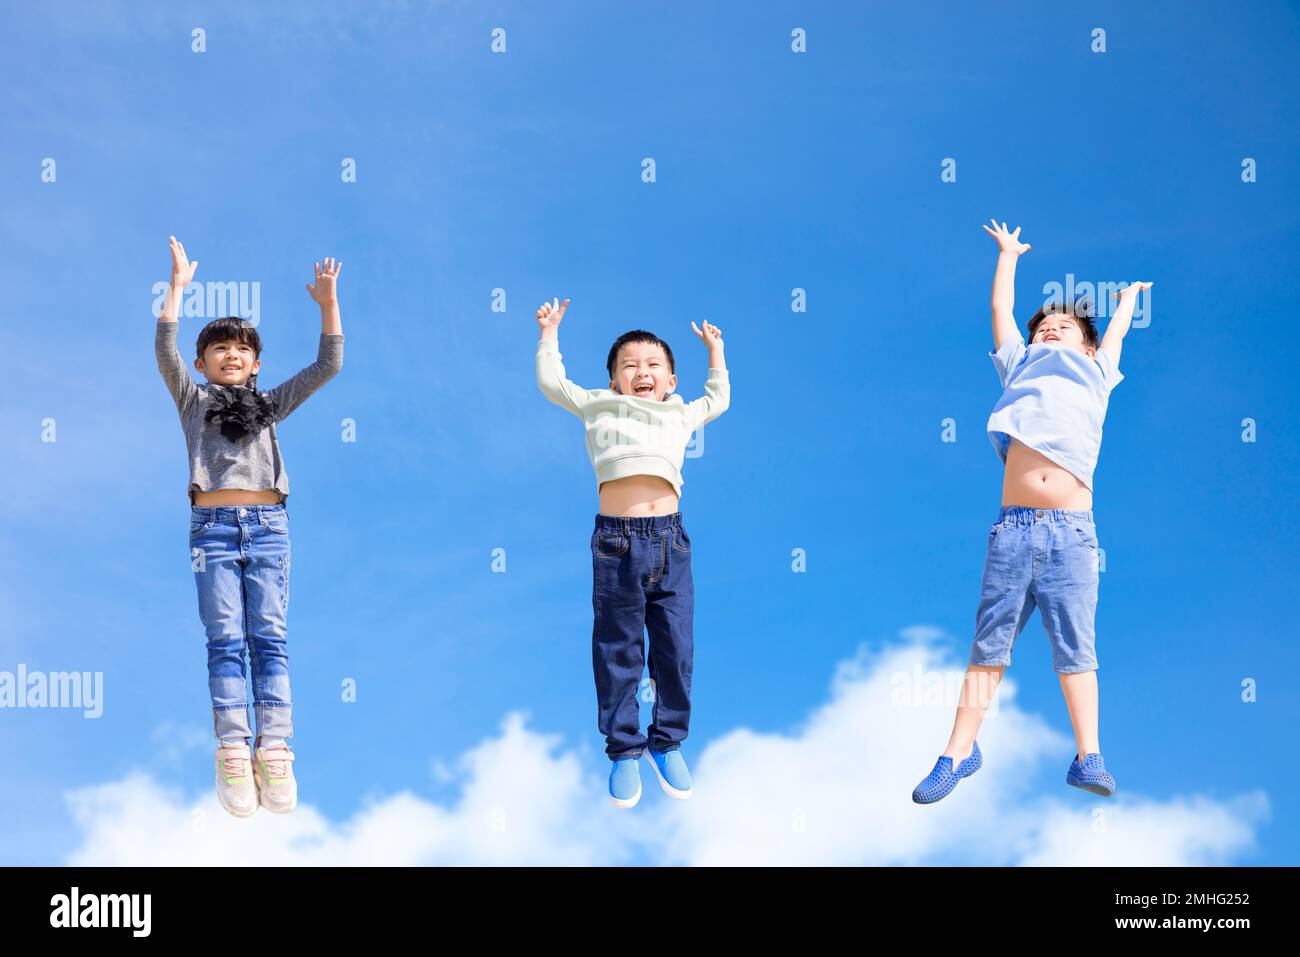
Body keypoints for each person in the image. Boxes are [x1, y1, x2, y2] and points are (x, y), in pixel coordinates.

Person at [912, 220, 1149, 804]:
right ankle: (957, 753)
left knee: (1077, 646)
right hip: (1014, 531)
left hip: (1072, 533)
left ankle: (1089, 755)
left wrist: (1126, 304)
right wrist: (1009, 255)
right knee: (988, 645)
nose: (1049, 331)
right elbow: (1000, 306)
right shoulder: (1019, 365)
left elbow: (1116, 337)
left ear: (1088, 346)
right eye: (1043, 326)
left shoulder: (1096, 373)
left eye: (1063, 327)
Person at [155, 236, 344, 817]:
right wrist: (179, 289)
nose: (231, 355)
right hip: (211, 527)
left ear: (256, 364)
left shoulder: (271, 404)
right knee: (225, 639)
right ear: (202, 362)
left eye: (241, 349)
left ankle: (276, 747)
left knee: (270, 638)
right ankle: (234, 749)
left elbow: (328, 365)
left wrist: (328, 302)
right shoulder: (193, 400)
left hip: (268, 526)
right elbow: (163, 347)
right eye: (219, 349)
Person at [534, 297, 730, 808]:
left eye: (653, 366)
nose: (641, 372)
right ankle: (624, 749)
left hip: (671, 541)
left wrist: (716, 352)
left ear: (669, 380)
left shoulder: (680, 413)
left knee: (675, 648)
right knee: (618, 649)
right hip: (616, 543)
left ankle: (668, 743)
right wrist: (549, 334)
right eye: (629, 366)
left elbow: (718, 399)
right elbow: (554, 384)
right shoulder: (598, 405)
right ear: (613, 380)